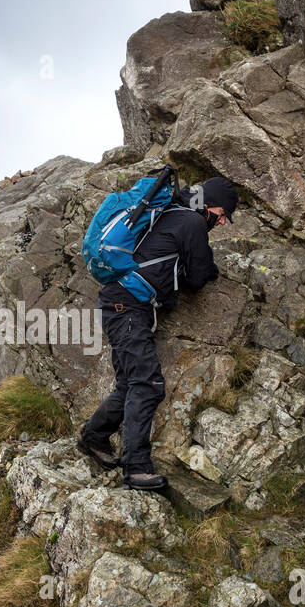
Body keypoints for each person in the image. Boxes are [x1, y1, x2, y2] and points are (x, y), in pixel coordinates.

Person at [78, 176, 238, 490]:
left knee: (130, 384)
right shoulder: (191, 222)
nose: (221, 222)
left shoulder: (172, 214)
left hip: (120, 305)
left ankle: (94, 437)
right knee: (148, 385)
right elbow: (198, 276)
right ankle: (136, 468)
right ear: (208, 203)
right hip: (127, 307)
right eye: (221, 214)